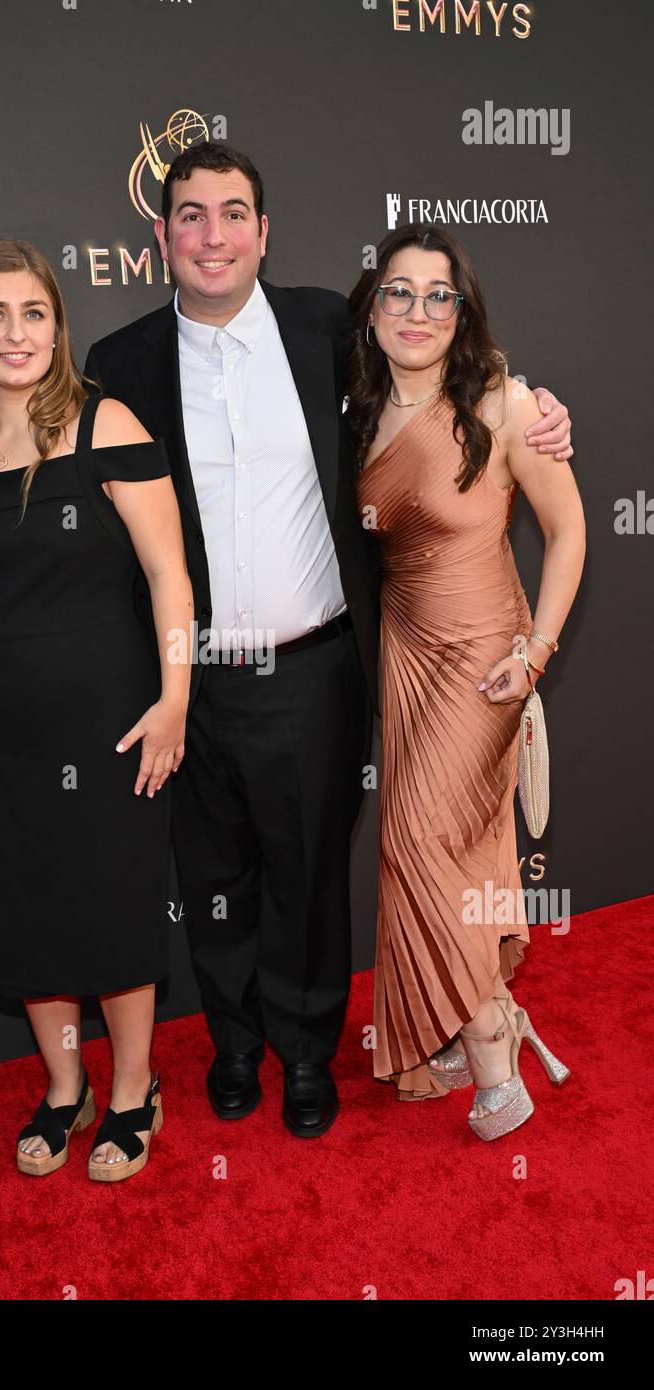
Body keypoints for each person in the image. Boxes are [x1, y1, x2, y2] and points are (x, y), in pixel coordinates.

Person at [0, 144, 573, 1139]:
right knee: (210, 881)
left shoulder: (328, 329)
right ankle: (233, 1046)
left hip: (312, 664)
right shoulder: (116, 367)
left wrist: (531, 402)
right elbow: (18, 445)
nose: (211, 234)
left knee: (303, 878)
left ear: (264, 231)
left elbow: (437, 366)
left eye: (232, 213)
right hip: (181, 679)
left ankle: (305, 1053)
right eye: (190, 215)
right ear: (160, 236)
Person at [0, 239, 193, 1180]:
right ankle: (66, 1090)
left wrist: (176, 699)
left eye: (33, 313)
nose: (15, 333)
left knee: (109, 908)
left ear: (58, 326)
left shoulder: (107, 425)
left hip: (108, 723)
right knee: (28, 911)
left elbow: (169, 577)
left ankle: (135, 1089)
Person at [349, 223, 584, 1138]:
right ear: (372, 312)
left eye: (437, 295)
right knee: (436, 851)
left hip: (488, 655)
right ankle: (482, 1018)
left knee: (418, 841)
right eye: (399, 293)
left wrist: (536, 654)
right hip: (404, 651)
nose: (418, 311)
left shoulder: (506, 405)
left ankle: (492, 1044)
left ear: (462, 312)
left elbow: (568, 535)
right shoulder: (354, 415)